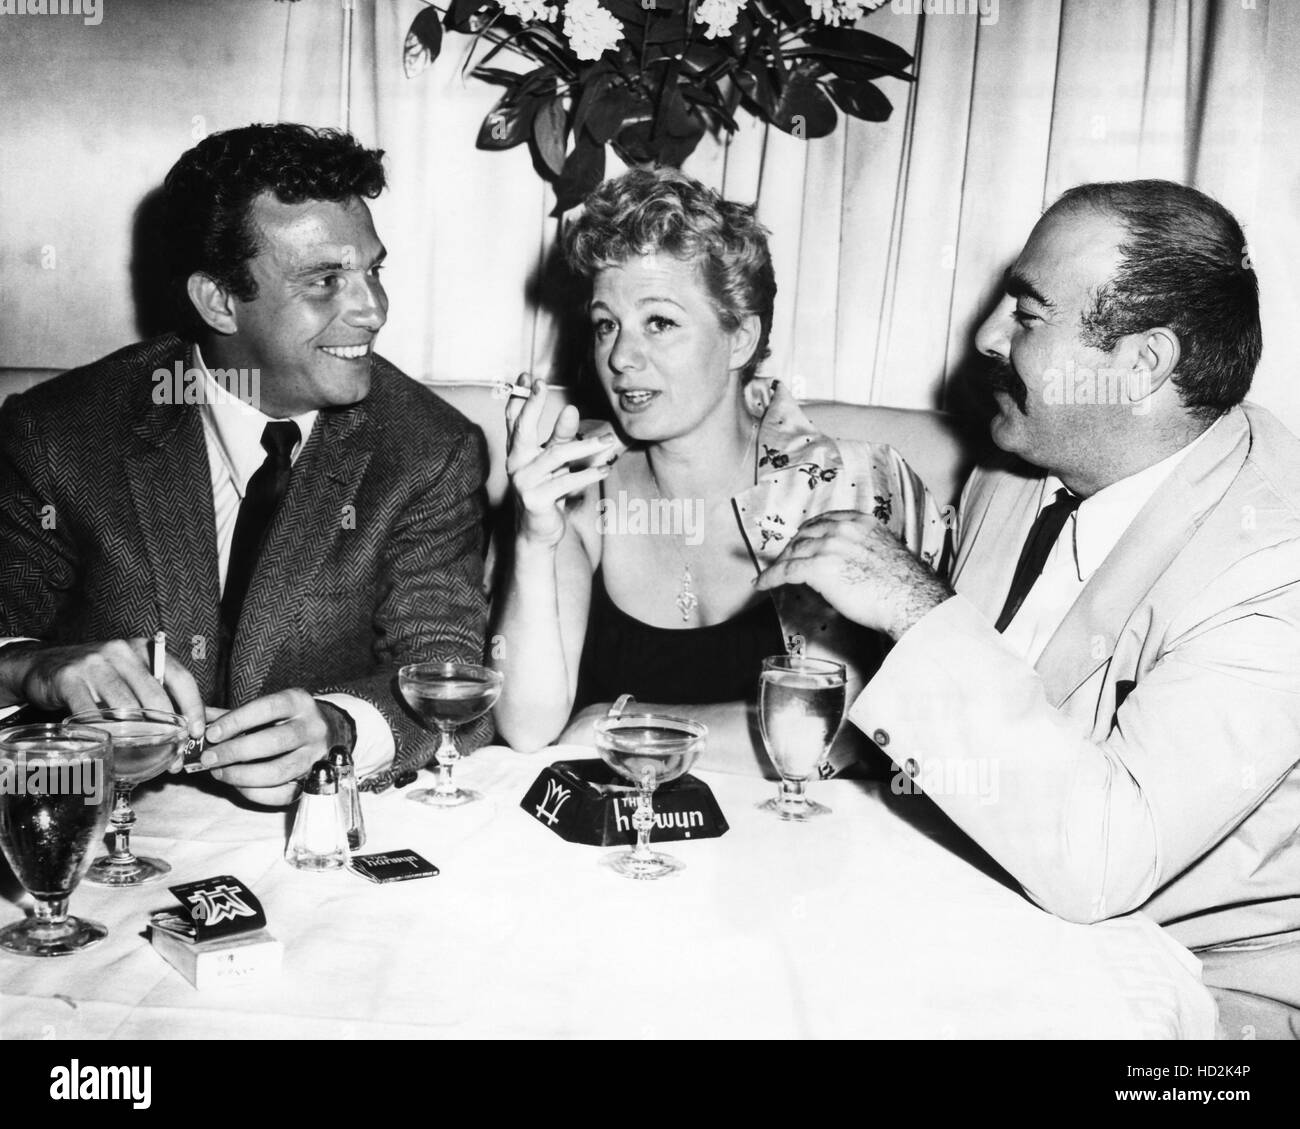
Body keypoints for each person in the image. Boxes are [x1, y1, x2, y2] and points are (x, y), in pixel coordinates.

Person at [756, 179, 1300, 1038]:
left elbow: (1098, 863)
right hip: (992, 921)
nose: (985, 336)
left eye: (1030, 312)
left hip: (1199, 1002)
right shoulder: (1023, 460)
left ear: (1144, 364)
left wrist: (915, 606)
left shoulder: (1277, 562)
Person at [0, 123, 490, 806]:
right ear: (219, 301)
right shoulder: (57, 434)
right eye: (326, 281)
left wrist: (341, 727)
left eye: (372, 270)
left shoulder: (430, 451)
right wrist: (34, 666)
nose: (372, 309)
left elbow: (450, 672)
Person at [492, 168, 947, 774]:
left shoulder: (847, 483)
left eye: (660, 322)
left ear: (740, 339)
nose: (622, 358)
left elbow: (859, 734)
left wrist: (620, 725)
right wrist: (534, 536)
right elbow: (527, 727)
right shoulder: (581, 482)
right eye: (607, 325)